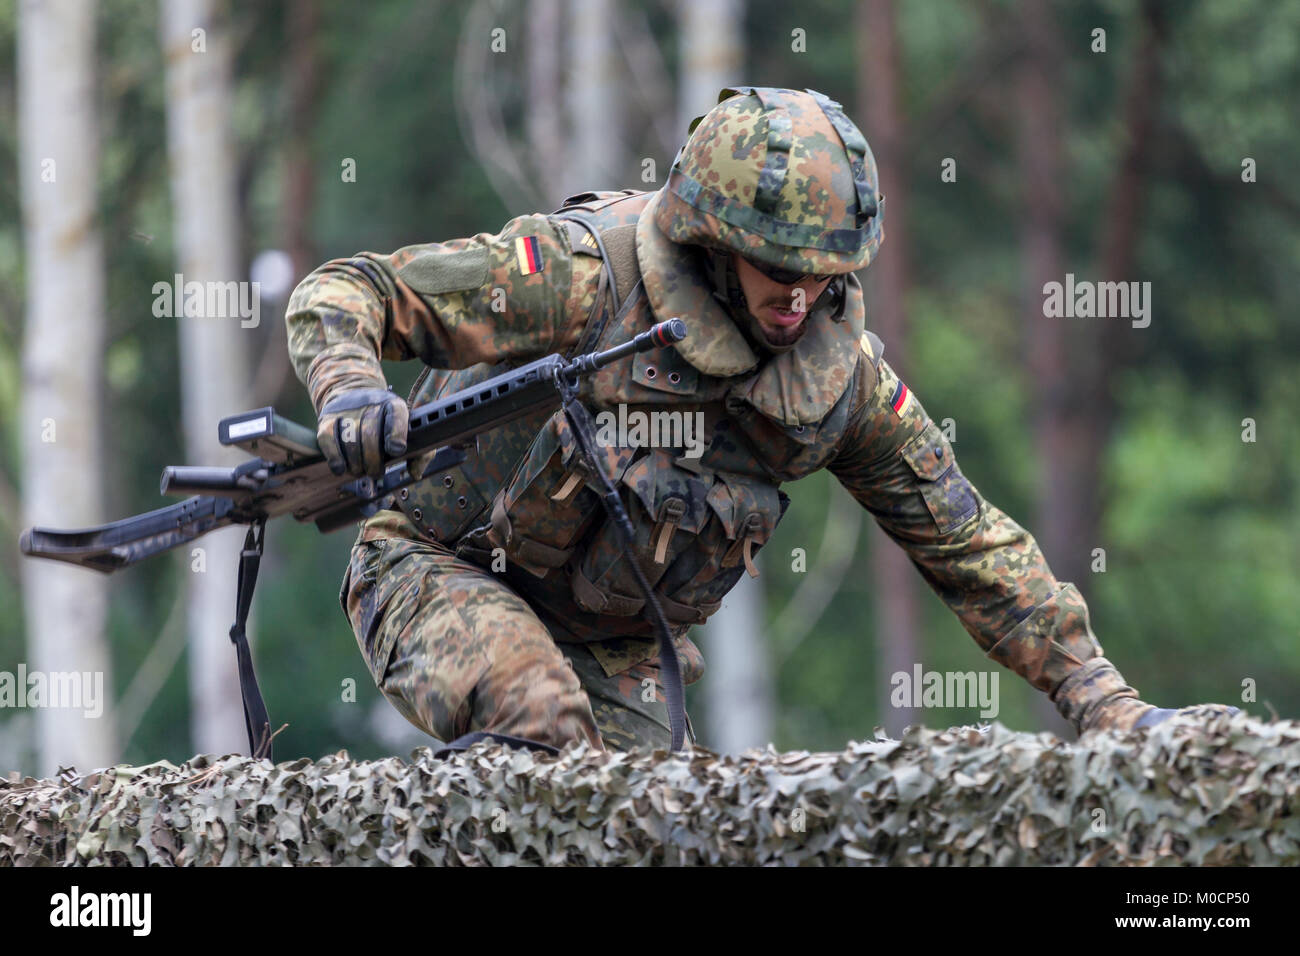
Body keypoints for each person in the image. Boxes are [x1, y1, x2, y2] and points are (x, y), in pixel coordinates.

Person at [285, 86, 1236, 753]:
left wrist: (1101, 702)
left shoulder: (839, 385)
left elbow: (971, 546)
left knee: (641, 826)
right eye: (780, 270)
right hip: (435, 567)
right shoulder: (583, 277)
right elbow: (353, 290)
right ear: (712, 243)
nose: (801, 298)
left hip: (613, 649)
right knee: (540, 724)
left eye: (826, 276)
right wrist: (350, 390)